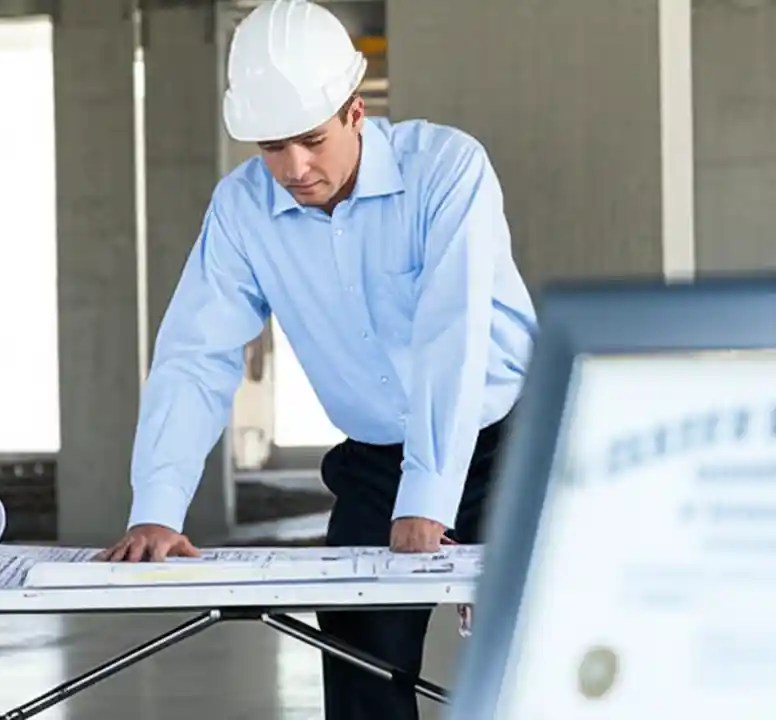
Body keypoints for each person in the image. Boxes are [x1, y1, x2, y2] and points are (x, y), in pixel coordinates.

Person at [95, 0, 537, 717]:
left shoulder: (447, 169)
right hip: (375, 462)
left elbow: (451, 334)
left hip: (513, 446)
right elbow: (196, 354)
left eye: (311, 140)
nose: (295, 168)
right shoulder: (241, 210)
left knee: (539, 662)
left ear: (355, 112)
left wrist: (428, 499)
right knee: (361, 664)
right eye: (273, 147)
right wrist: (157, 508)